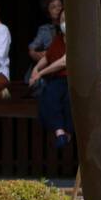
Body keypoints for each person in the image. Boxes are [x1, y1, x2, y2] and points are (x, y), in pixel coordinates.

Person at [31, 17, 73, 149]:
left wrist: (41, 73)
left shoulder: (79, 39)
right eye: (62, 20)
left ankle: (68, 133)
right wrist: (36, 69)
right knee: (48, 96)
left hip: (74, 80)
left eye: (68, 18)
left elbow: (64, 61)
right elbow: (47, 57)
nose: (65, 22)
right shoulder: (58, 39)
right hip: (58, 80)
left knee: (69, 101)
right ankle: (59, 132)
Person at [27, 0, 64, 80]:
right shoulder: (45, 30)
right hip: (51, 70)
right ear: (48, 13)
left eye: (59, 6)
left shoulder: (71, 27)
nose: (58, 9)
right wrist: (37, 54)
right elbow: (32, 48)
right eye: (53, 7)